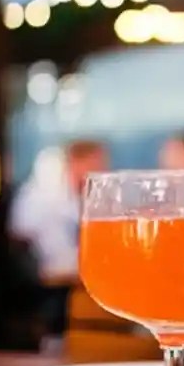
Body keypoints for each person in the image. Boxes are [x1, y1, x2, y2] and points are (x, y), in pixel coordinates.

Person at [10, 141, 109, 340]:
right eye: (97, 163)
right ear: (76, 162)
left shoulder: (89, 198)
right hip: (48, 288)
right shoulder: (43, 198)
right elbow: (32, 243)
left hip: (78, 282)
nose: (103, 170)